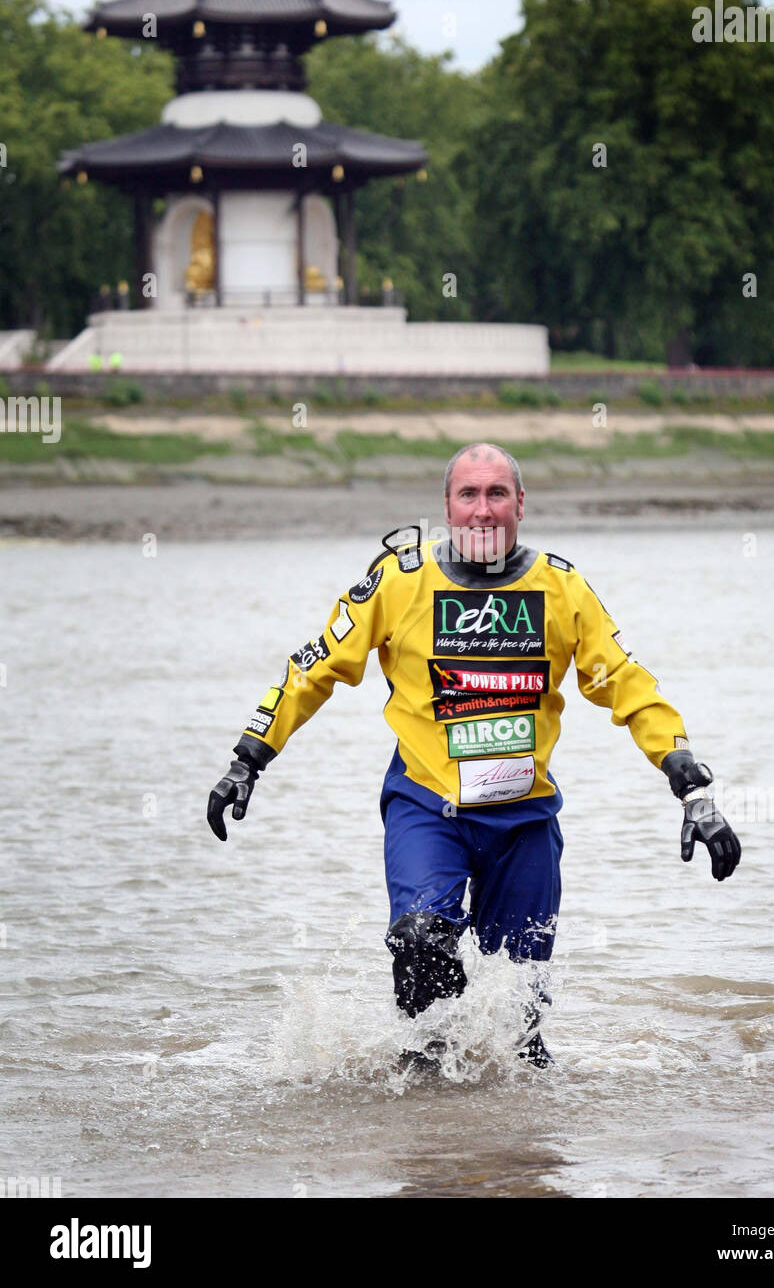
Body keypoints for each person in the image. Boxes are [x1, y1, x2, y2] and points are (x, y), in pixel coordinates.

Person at [207, 443, 740, 1069]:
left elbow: (626, 683)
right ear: (446, 507)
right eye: (468, 495)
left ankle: (500, 1136)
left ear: (520, 503)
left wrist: (690, 786)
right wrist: (250, 757)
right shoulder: (399, 581)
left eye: (496, 494)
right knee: (421, 939)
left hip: (525, 821)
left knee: (518, 1022)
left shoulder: (562, 589)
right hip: (428, 806)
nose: (482, 511)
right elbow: (313, 668)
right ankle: (424, 1069)